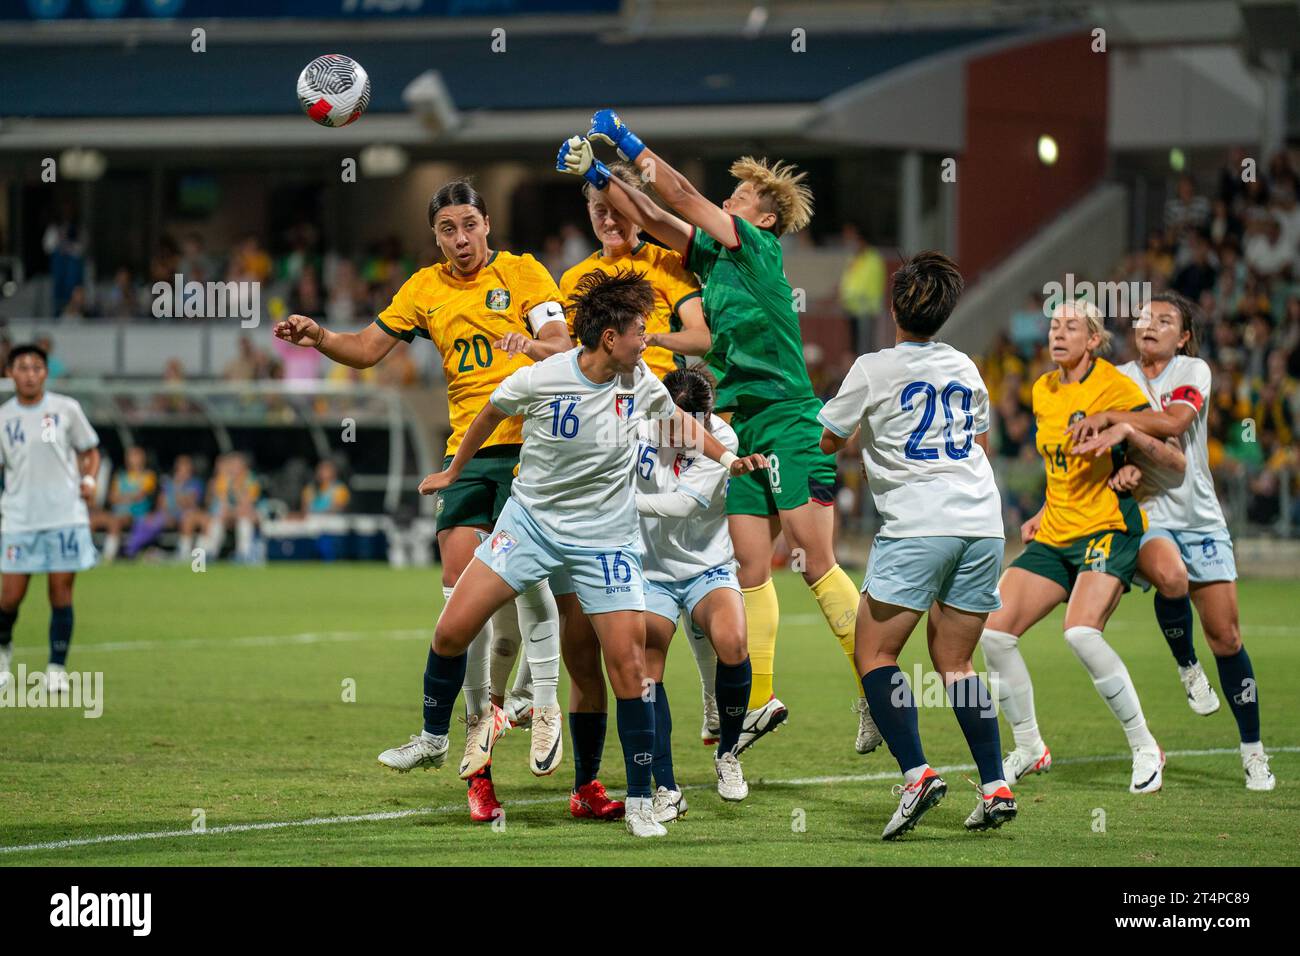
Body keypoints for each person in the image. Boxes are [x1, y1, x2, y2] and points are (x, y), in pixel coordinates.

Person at [393, 269, 765, 837]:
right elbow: (490, 411)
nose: (648, 339)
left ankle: (641, 800)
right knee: (451, 631)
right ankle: (433, 737)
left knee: (631, 669)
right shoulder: (544, 377)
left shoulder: (639, 380)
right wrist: (454, 470)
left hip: (606, 540)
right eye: (640, 329)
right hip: (531, 524)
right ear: (610, 336)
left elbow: (677, 425)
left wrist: (726, 459)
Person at [558, 114, 875, 758]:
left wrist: (623, 139)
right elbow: (652, 215)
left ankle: (874, 686)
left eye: (737, 199)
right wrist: (598, 176)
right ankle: (758, 701)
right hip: (740, 421)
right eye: (727, 197)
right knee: (750, 567)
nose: (725, 202)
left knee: (815, 562)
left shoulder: (756, 249)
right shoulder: (711, 257)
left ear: (760, 218)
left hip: (787, 413)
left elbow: (677, 195)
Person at [275, 180, 573, 823]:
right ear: (433, 235)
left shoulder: (523, 274)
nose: (460, 240)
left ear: (488, 224)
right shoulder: (423, 288)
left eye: (469, 225)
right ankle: (458, 730)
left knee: (530, 591)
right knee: (457, 597)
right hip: (467, 452)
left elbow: (564, 346)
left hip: (536, 445)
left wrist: (528, 346)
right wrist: (318, 334)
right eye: (447, 230)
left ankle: (542, 704)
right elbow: (364, 350)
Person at [818, 251, 1015, 839]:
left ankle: (916, 773)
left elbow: (828, 441)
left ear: (894, 306)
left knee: (874, 654)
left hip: (918, 524)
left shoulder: (873, 367)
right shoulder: (966, 366)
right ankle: (996, 782)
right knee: (955, 663)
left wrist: (865, 439)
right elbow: (978, 441)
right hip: (982, 522)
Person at [1067, 292, 1275, 791]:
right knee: (1170, 574)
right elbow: (1099, 445)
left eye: (1164, 321)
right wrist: (1118, 469)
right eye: (1143, 319)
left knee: (1227, 638)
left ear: (1182, 337)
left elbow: (1176, 424)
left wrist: (1117, 421)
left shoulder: (1193, 371)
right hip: (1147, 514)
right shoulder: (1116, 379)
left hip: (1201, 518)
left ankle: (1253, 751)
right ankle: (1186, 667)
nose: (1150, 326)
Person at [979, 300, 1186, 794]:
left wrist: (1119, 428)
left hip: (1107, 527)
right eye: (1054, 326)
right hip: (1056, 532)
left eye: (1072, 327)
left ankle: (1144, 747)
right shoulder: (1042, 389)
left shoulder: (1114, 383)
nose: (1059, 334)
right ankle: (1029, 747)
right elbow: (1060, 470)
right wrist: (1043, 513)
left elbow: (1163, 431)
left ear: (1093, 340)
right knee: (993, 633)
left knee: (1080, 634)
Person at [633, 365, 754, 823]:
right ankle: (665, 785)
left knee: (734, 643)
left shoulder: (723, 440)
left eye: (693, 421)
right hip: (651, 570)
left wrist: (621, 502)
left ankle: (727, 752)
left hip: (707, 565)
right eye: (673, 420)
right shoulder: (639, 425)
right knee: (648, 669)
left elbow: (680, 505)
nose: (683, 430)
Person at [0, 345, 100, 693]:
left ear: (45, 373)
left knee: (60, 592)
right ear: (10, 373)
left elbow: (90, 450)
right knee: (9, 598)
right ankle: (2, 653)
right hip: (19, 518)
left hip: (64, 515)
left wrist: (89, 479)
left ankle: (56, 668)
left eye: (37, 367)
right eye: (22, 367)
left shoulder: (66, 409)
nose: (30, 374)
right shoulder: (3, 418)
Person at [124, 455, 203, 559]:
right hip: (166, 514)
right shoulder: (168, 483)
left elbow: (189, 502)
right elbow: (162, 503)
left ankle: (131, 550)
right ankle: (131, 549)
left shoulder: (195, 483)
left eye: (187, 468)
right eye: (182, 467)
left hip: (183, 515)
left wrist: (177, 493)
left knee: (160, 521)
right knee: (145, 520)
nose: (184, 471)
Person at [92, 446, 157, 563]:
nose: (133, 459)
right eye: (131, 456)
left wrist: (121, 497)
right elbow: (112, 498)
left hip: (136, 514)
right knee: (93, 520)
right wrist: (128, 497)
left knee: (115, 521)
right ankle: (88, 554)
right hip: (117, 512)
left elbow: (139, 496)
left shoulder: (148, 476)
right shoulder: (120, 476)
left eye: (136, 455)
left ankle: (108, 556)